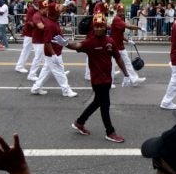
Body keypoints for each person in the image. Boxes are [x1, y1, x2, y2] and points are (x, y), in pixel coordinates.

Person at [53, 12, 129, 143]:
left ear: (106, 27)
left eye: (101, 26)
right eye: (96, 26)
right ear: (93, 27)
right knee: (105, 106)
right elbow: (77, 45)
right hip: (97, 80)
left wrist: (126, 75)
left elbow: (118, 58)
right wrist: (66, 44)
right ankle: (110, 132)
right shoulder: (90, 42)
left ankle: (79, 122)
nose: (99, 28)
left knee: (97, 103)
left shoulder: (110, 42)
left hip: (107, 79)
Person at [30, 2, 77, 98]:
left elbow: (63, 9)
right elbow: (47, 42)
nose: (60, 10)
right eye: (58, 8)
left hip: (55, 51)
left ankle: (36, 88)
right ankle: (66, 90)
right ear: (54, 12)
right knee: (59, 72)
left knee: (46, 70)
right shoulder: (50, 25)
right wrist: (54, 55)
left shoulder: (54, 21)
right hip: (53, 53)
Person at [109, 4, 145, 87]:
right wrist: (139, 28)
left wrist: (128, 41)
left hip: (120, 46)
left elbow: (120, 35)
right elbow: (128, 26)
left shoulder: (120, 19)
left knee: (128, 63)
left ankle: (134, 79)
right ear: (117, 11)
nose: (122, 12)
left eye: (123, 11)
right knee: (112, 65)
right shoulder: (116, 19)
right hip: (114, 46)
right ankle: (109, 82)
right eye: (120, 11)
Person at [14, 0, 40, 74]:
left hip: (35, 33)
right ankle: (19, 66)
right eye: (35, 1)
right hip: (30, 33)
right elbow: (29, 22)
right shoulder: (31, 10)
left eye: (38, 1)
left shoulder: (37, 9)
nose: (37, 3)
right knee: (27, 50)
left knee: (40, 52)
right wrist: (39, 24)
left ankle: (55, 69)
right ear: (33, 2)